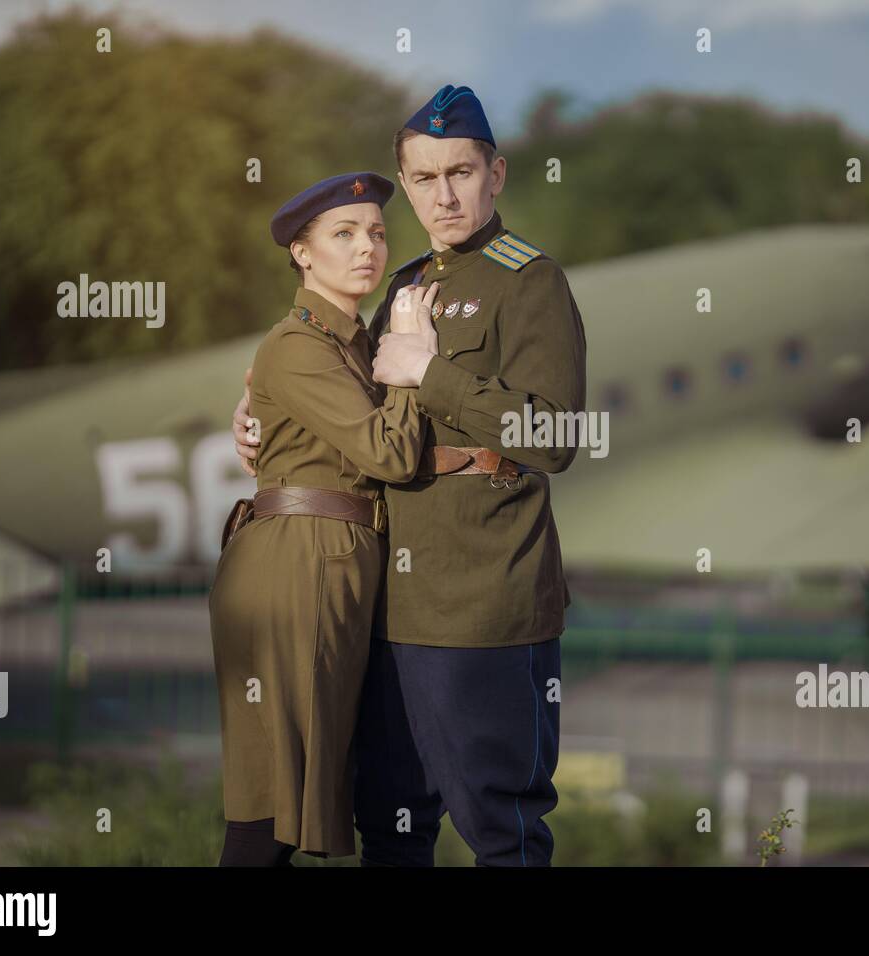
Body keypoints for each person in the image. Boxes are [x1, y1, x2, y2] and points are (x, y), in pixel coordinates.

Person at [233, 86, 586, 866]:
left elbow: (557, 433)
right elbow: (326, 365)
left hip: (480, 598)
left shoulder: (528, 281)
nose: (445, 194)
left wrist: (433, 373)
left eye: (460, 172)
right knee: (390, 823)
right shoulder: (404, 285)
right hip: (386, 607)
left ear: (496, 174)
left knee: (501, 828)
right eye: (424, 179)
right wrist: (253, 396)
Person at [210, 171, 437, 866]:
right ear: (303, 254)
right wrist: (408, 360)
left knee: (291, 788)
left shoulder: (349, 342)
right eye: (343, 234)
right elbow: (390, 455)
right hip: (299, 565)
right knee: (274, 800)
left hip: (326, 560)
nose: (366, 247)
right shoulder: (301, 344)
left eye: (374, 232)